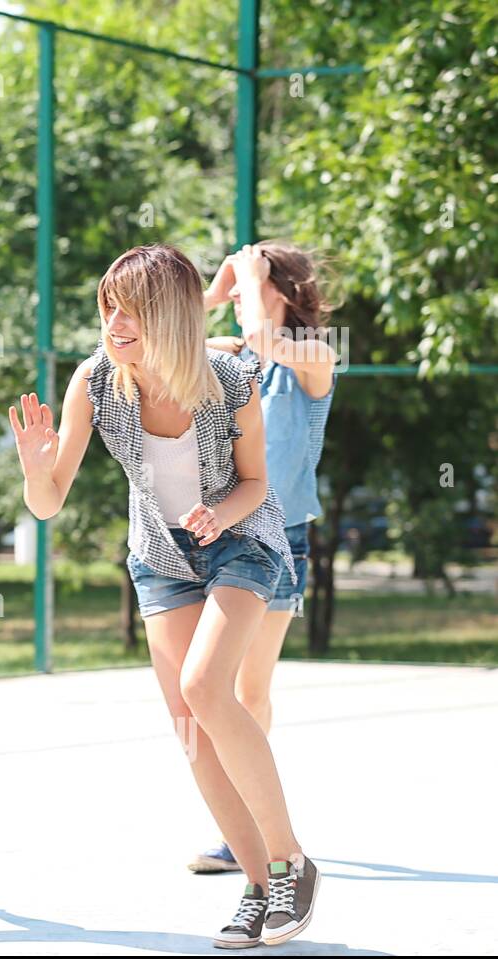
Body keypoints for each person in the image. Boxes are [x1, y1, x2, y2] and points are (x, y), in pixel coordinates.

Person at [9, 244, 319, 949]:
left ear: (171, 317)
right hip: (161, 561)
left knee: (208, 687)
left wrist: (222, 516)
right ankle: (260, 887)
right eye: (107, 306)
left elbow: (255, 484)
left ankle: (292, 864)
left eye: (131, 310)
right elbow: (50, 502)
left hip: (243, 543)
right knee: (191, 729)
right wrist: (35, 469)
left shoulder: (230, 380)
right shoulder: (95, 383)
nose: (114, 322)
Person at [189, 241, 338, 874]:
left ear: (279, 287)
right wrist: (217, 287)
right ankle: (239, 822)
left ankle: (248, 828)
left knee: (249, 687)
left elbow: (262, 334)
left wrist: (248, 277)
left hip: (280, 541)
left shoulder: (315, 357)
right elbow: (172, 334)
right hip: (215, 536)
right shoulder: (233, 356)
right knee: (211, 686)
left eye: (256, 280)